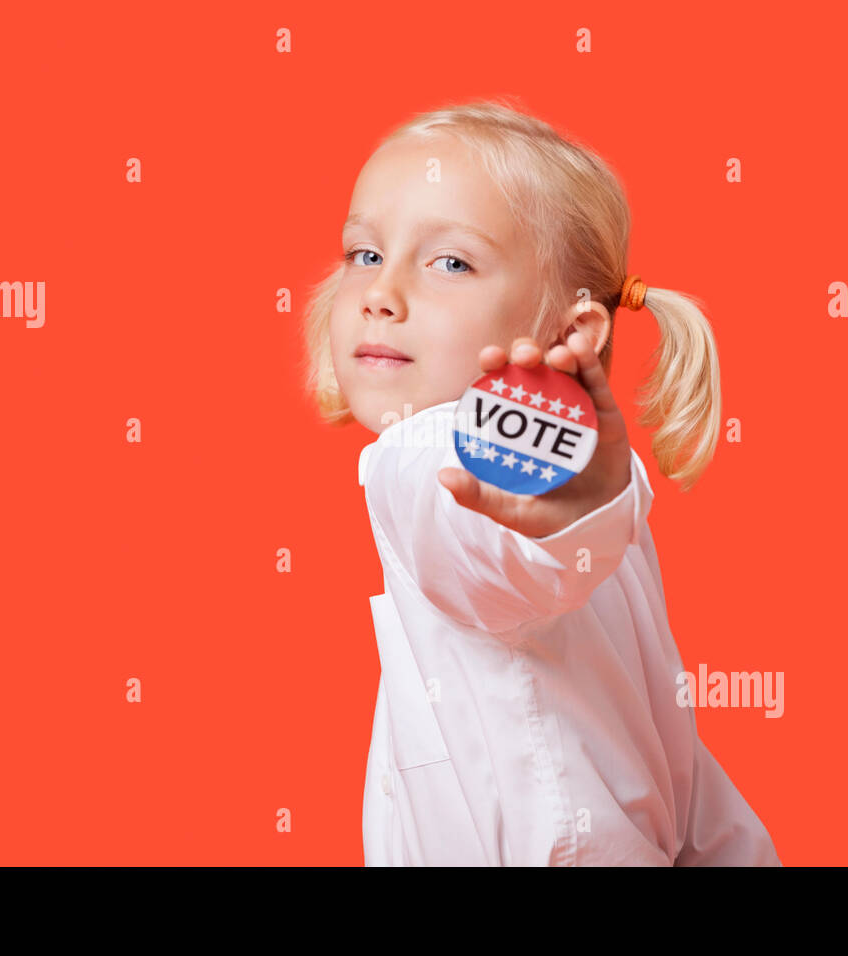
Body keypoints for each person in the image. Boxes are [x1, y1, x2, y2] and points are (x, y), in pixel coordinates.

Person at [301, 99, 781, 866]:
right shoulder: (605, 497)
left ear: (568, 331)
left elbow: (500, 551)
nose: (379, 294)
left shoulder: (427, 453)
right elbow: (681, 776)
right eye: (365, 254)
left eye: (450, 262)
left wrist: (557, 516)